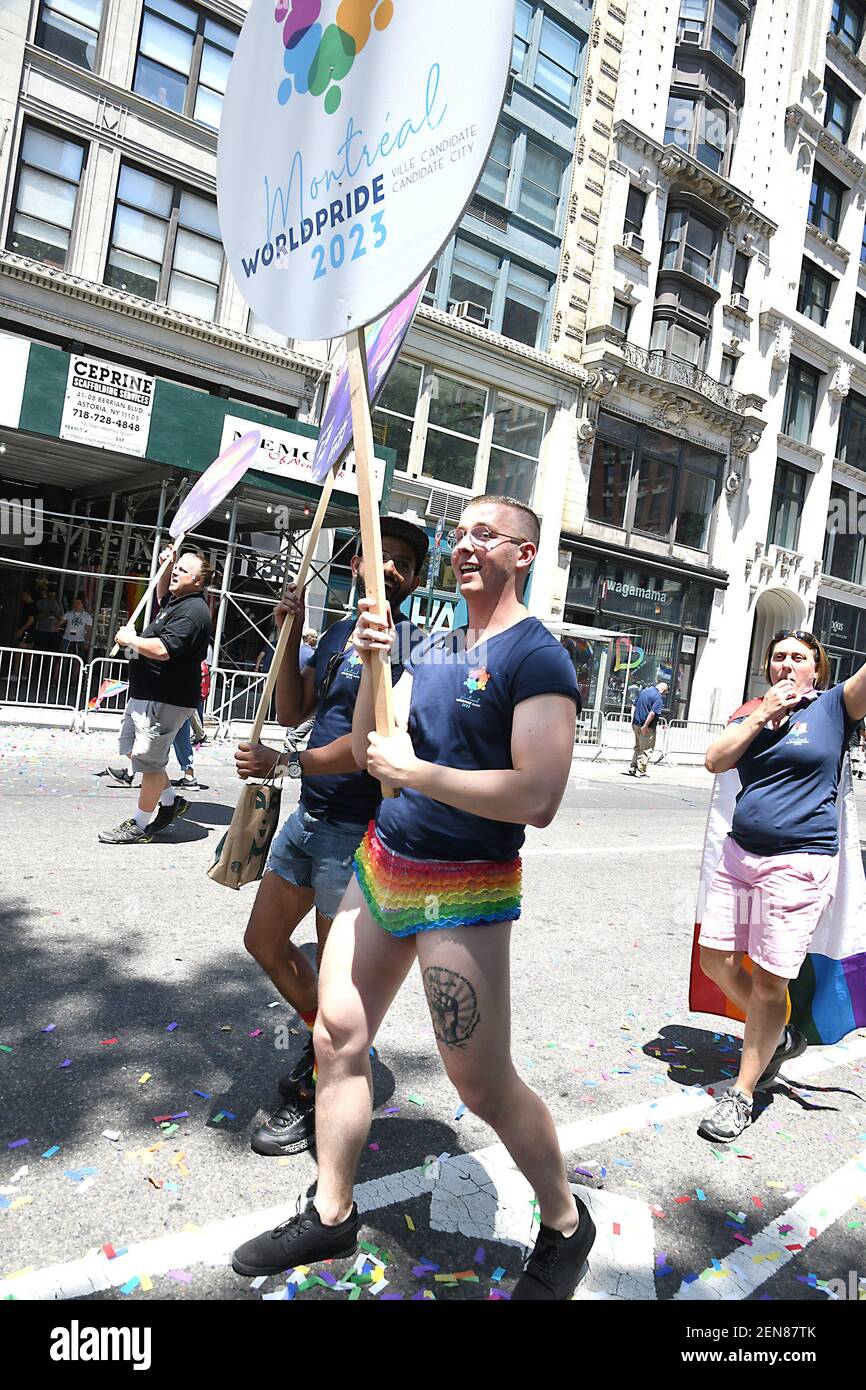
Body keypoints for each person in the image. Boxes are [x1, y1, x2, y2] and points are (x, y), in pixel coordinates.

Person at [233, 496, 596, 1301]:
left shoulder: (539, 659)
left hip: (464, 885)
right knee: (336, 1034)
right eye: (460, 534)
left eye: (486, 535)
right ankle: (330, 1211)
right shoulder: (427, 641)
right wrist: (372, 664)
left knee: (480, 1081)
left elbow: (537, 794)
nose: (466, 546)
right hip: (383, 860)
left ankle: (567, 1224)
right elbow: (369, 749)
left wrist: (422, 776)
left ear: (524, 555)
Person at [233, 518, 428, 1157]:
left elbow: (371, 746)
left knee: (340, 981)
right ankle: (332, 1046)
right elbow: (294, 711)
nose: (390, 569)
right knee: (262, 940)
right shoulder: (342, 632)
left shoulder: (416, 649)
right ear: (356, 567)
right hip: (306, 821)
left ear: (418, 579)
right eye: (381, 557)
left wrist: (286, 764)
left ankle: (324, 1080)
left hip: (355, 831)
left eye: (403, 562)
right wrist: (289, 637)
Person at [696, 628, 866, 1143]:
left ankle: (744, 1092)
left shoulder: (835, 707)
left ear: (818, 669)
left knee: (771, 981)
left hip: (799, 864)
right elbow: (714, 760)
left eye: (799, 658)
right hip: (739, 859)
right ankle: (780, 1035)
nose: (787, 665)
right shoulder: (755, 714)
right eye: (778, 658)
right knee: (716, 958)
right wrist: (761, 715)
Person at [98, 548, 213, 845]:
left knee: (149, 763)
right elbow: (162, 595)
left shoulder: (195, 611)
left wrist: (130, 640)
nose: (176, 573)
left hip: (165, 698)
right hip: (145, 693)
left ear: (198, 581)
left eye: (182, 571)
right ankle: (170, 801)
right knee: (133, 752)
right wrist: (167, 566)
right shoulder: (178, 602)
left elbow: (164, 650)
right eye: (177, 569)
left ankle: (139, 825)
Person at [626, 678, 669, 777]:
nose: (664, 695)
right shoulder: (658, 697)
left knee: (638, 747)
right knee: (646, 749)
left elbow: (634, 705)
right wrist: (646, 725)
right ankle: (641, 770)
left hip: (636, 723)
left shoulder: (644, 691)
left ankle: (633, 766)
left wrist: (632, 721)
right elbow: (653, 713)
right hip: (647, 727)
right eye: (665, 693)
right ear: (663, 690)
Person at [34, 585, 63, 651]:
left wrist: (56, 615)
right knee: (39, 650)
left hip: (54, 631)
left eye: (53, 596)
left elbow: (62, 618)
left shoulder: (59, 604)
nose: (51, 598)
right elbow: (36, 616)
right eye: (50, 596)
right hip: (41, 630)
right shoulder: (40, 602)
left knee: (52, 651)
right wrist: (46, 614)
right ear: (47, 594)